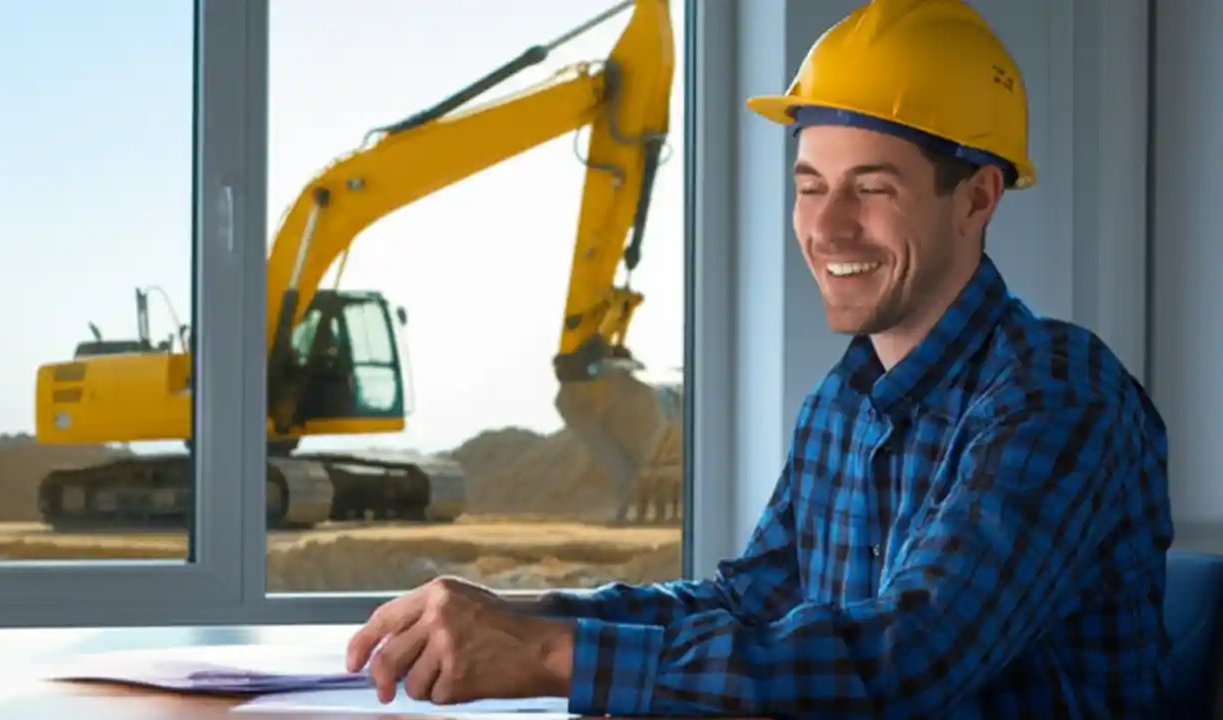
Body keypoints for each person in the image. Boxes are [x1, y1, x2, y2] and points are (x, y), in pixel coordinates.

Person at [344, 0, 1175, 716]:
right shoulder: (843, 403)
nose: (827, 226)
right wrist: (525, 613)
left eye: (873, 187)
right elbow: (749, 602)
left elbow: (909, 660)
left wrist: (546, 654)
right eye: (811, 185)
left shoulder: (1059, 397)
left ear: (977, 196)